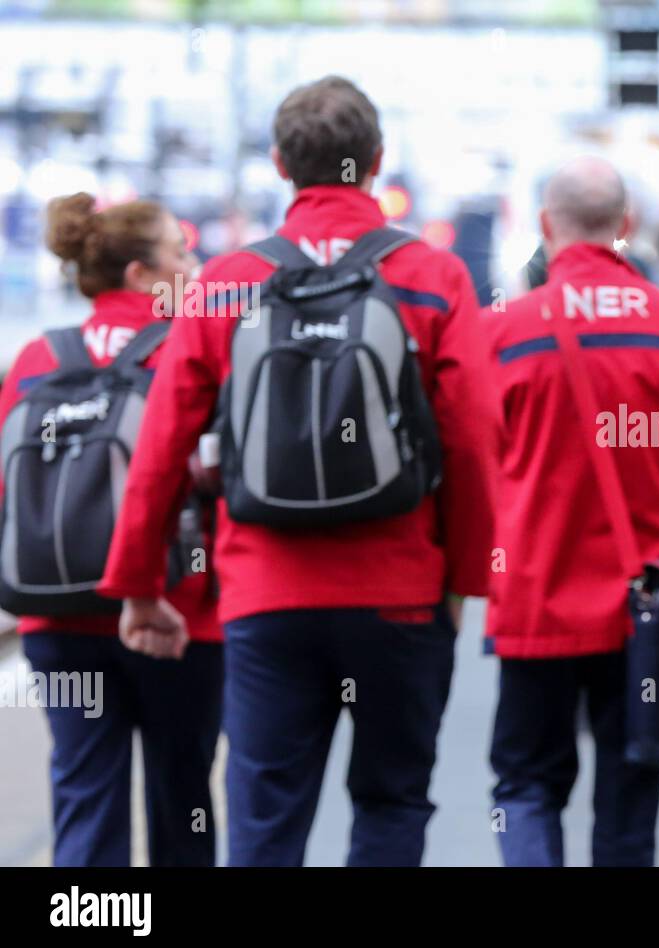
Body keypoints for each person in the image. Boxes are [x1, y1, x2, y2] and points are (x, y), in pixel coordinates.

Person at [97, 76, 495, 866]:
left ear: (281, 163)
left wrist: (140, 587)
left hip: (263, 598)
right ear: (377, 162)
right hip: (400, 595)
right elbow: (475, 441)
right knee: (391, 804)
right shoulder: (433, 275)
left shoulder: (225, 282)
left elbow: (160, 446)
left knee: (265, 821)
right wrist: (465, 578)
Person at [483, 156, 659, 866]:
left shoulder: (507, 330)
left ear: (547, 227)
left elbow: (484, 467)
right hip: (646, 604)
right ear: (627, 226)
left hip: (536, 602)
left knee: (526, 784)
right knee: (629, 791)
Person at [0, 193, 222, 866]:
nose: (194, 265)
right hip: (173, 618)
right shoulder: (187, 349)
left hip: (56, 620)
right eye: (180, 253)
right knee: (182, 793)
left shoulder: (37, 358)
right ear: (139, 275)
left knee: (84, 794)